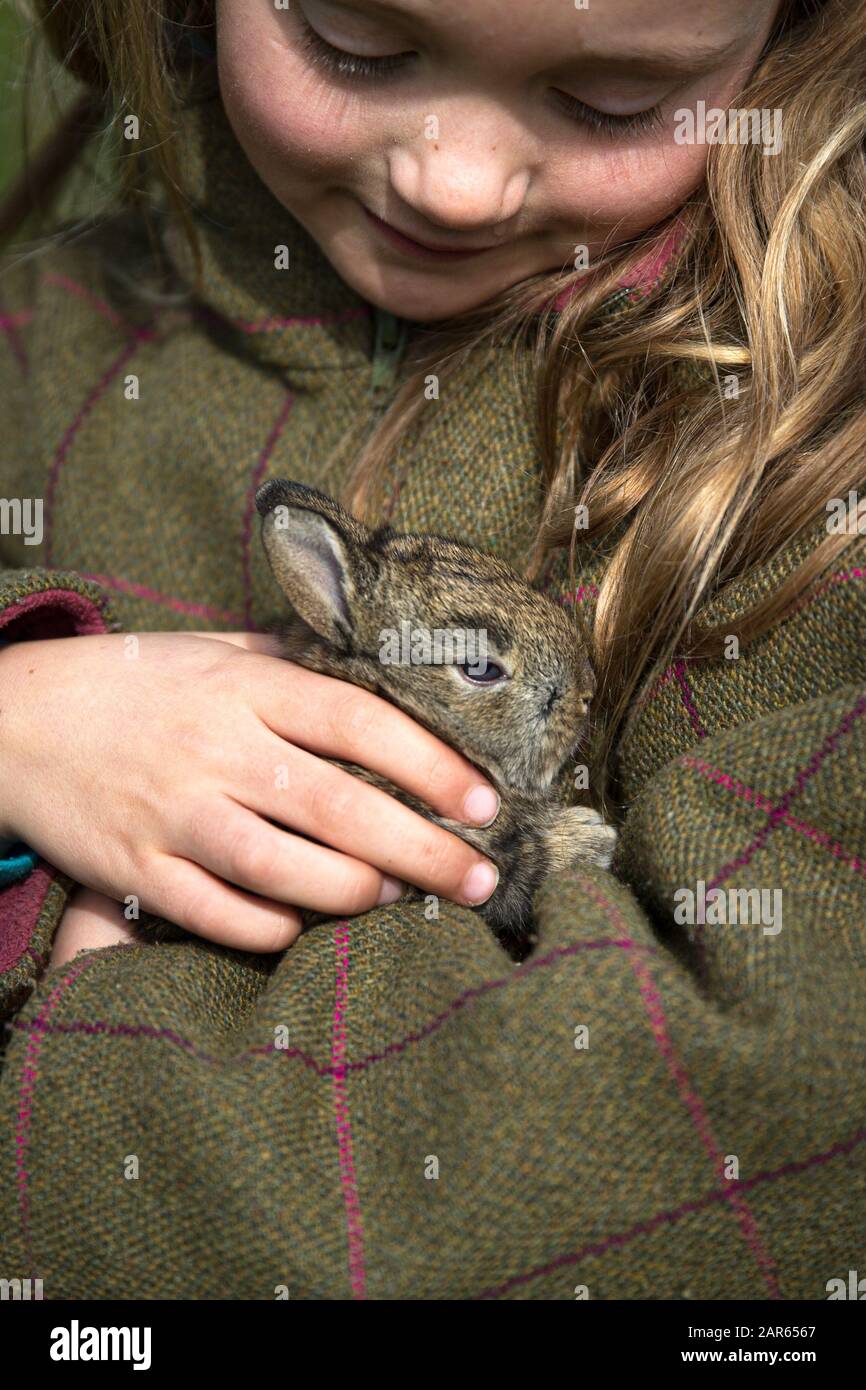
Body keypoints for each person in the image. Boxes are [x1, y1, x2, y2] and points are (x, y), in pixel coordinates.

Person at [0, 0, 863, 1300]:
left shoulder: (799, 434)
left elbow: (784, 1106)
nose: (450, 182)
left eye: (612, 98)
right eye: (351, 42)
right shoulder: (44, 335)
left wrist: (74, 1084)